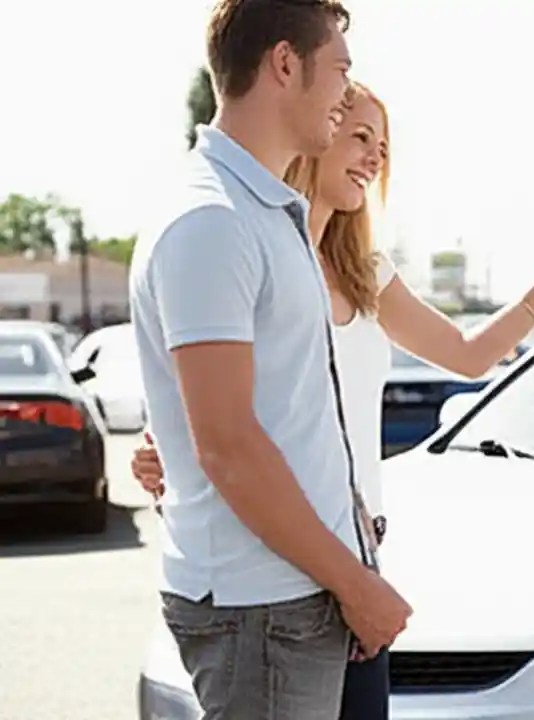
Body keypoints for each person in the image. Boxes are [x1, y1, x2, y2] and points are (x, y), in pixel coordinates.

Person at [131, 76, 534, 720]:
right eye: (359, 134)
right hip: (274, 577)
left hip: (356, 565)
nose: (374, 156)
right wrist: (164, 449)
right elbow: (214, 415)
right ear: (316, 129)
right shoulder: (240, 242)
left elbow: (470, 353)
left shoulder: (366, 271)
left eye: (383, 147)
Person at [127, 1, 412, 717]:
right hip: (263, 614)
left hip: (294, 603)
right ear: (285, 64)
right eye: (339, 69)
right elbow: (227, 445)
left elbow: (284, 416)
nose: (347, 92)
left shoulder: (264, 213)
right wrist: (355, 582)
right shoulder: (211, 220)